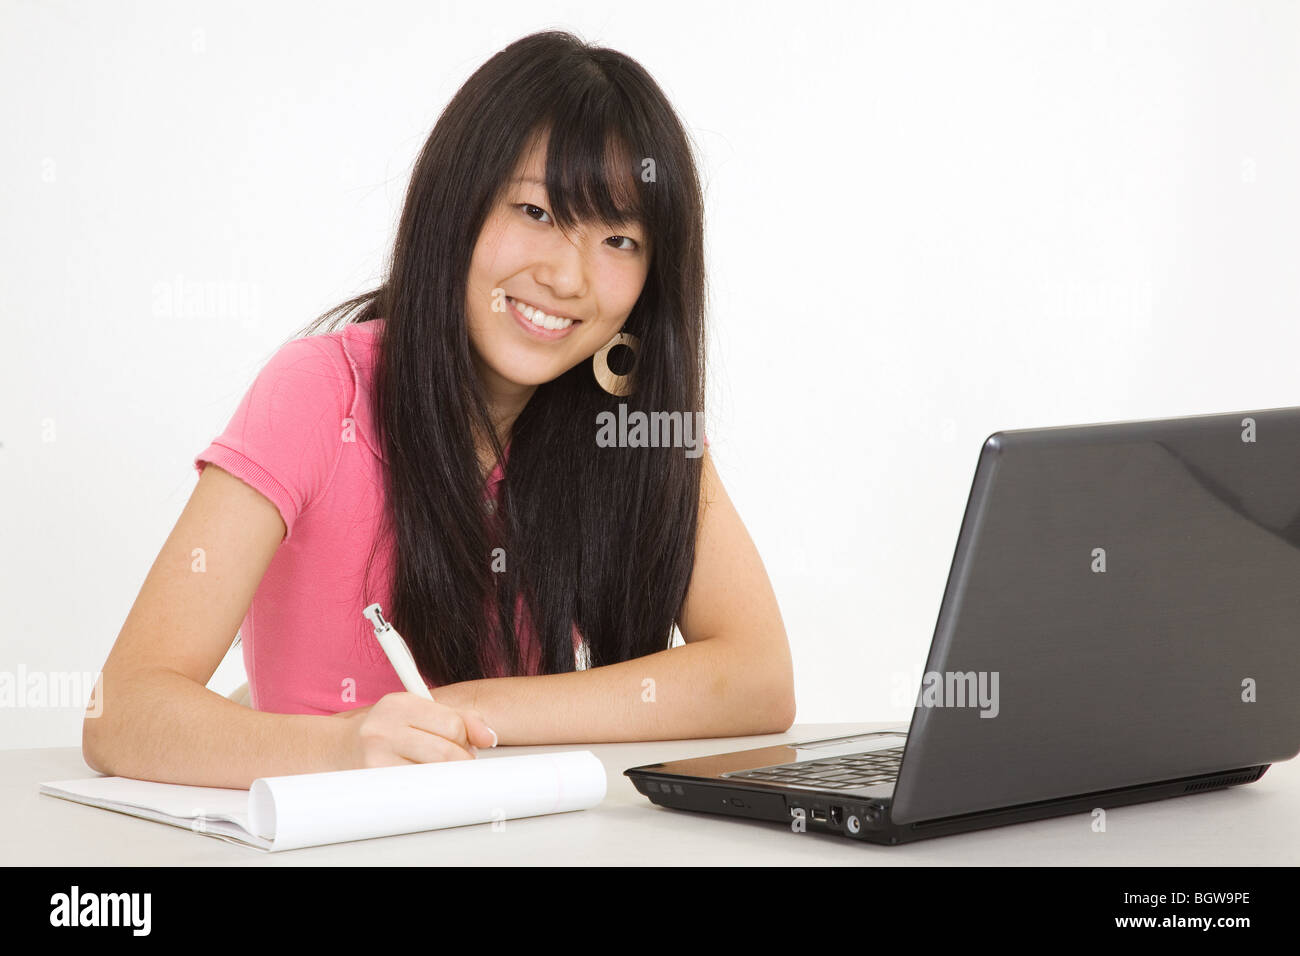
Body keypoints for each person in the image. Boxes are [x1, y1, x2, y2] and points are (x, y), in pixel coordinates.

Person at [84, 30, 794, 790]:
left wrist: (465, 709)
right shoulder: (322, 394)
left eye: (619, 238)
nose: (566, 276)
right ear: (456, 205)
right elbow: (121, 711)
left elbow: (759, 680)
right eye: (537, 211)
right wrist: (344, 745)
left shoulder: (627, 417)